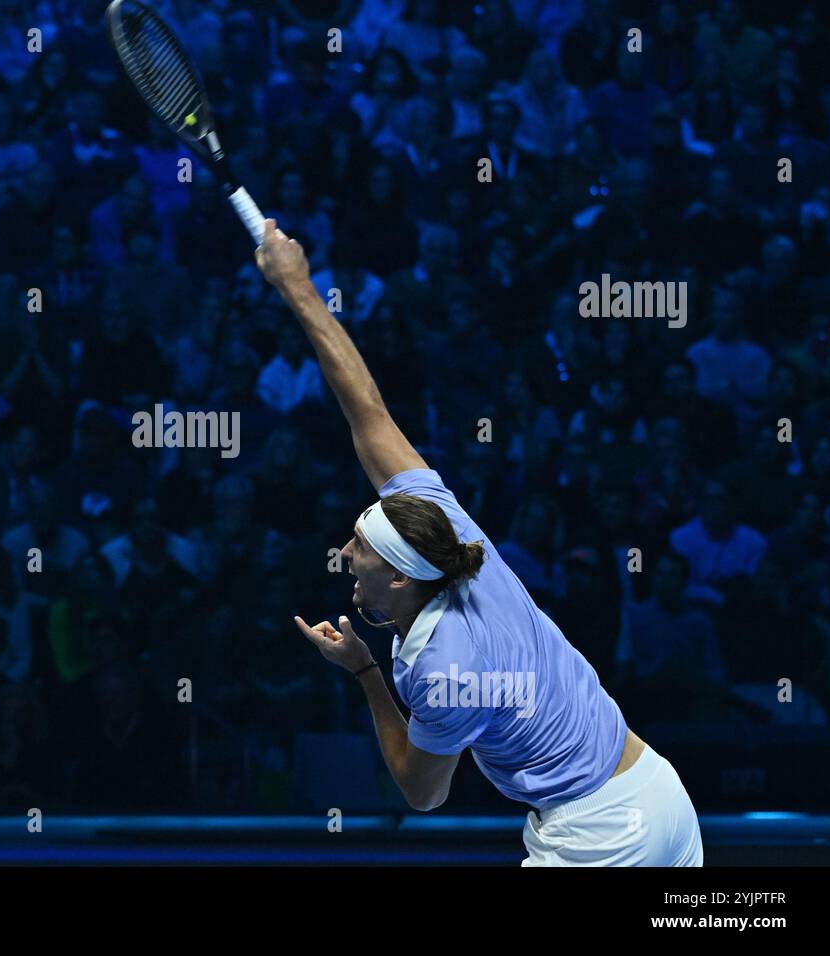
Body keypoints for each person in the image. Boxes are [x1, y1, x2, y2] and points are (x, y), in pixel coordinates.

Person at [255, 218, 703, 867]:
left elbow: (422, 791)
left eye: (360, 545)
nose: (345, 552)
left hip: (601, 837)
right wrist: (299, 285)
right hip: (659, 793)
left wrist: (364, 671)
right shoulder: (450, 529)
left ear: (403, 578)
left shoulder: (437, 666)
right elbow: (368, 412)